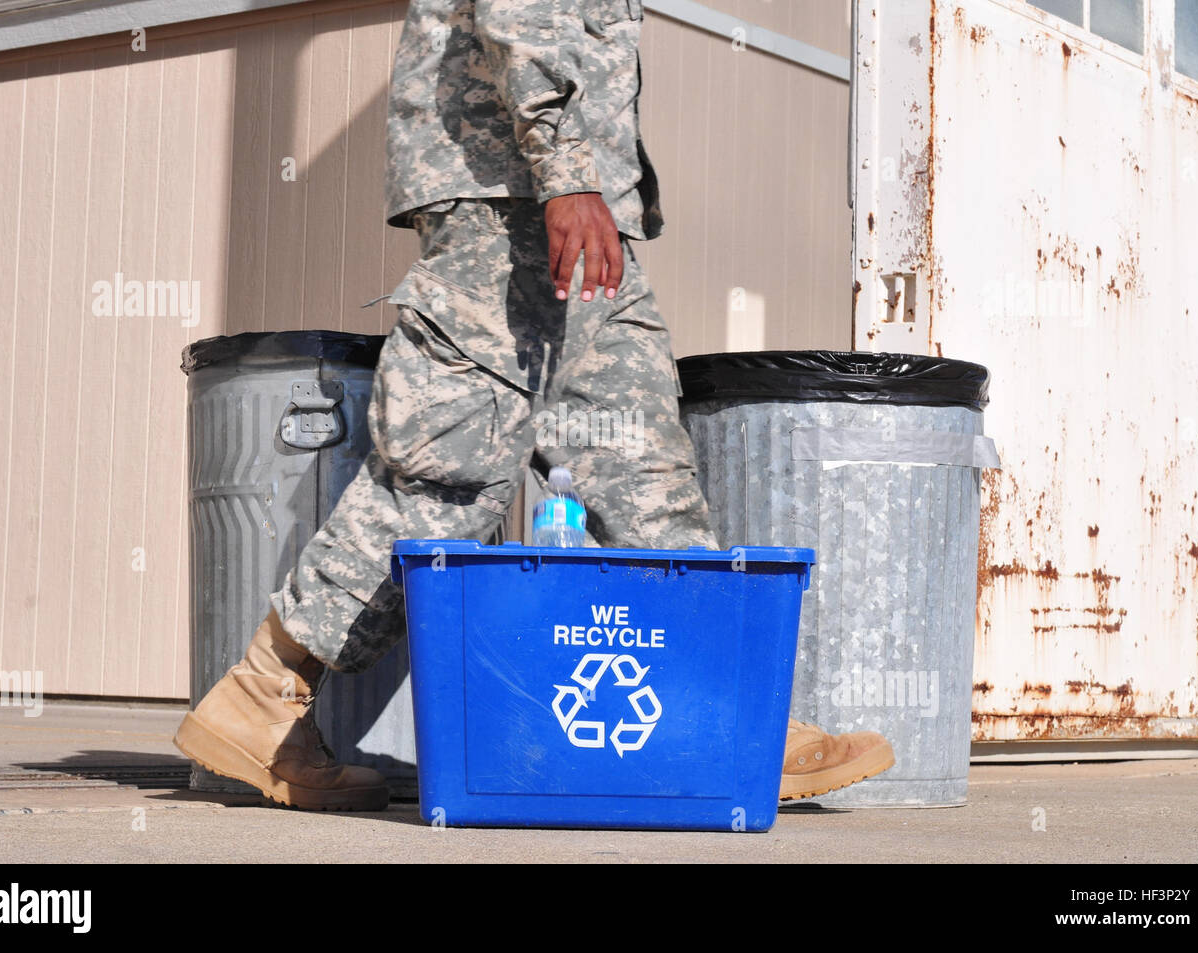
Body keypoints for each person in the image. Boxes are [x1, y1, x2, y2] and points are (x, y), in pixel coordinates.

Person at [174, 0, 893, 812]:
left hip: (581, 208)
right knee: (448, 469)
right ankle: (264, 691)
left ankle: (739, 720)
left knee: (640, 463)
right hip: (508, 198)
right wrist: (569, 174)